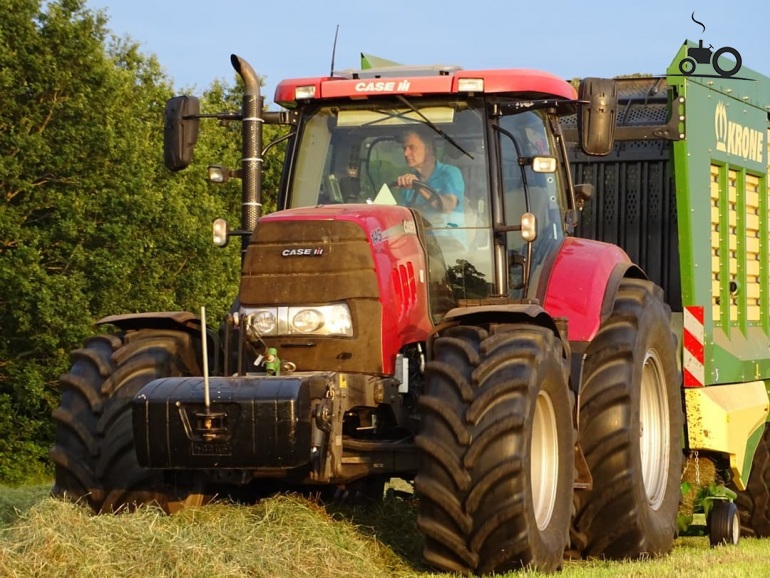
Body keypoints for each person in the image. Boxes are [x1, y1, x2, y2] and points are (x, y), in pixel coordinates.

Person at [395, 128, 465, 228]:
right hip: (420, 236)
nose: (406, 153)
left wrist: (419, 188)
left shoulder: (449, 173)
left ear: (429, 149)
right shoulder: (408, 183)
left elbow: (448, 206)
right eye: (404, 148)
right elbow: (404, 219)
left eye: (412, 148)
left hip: (448, 236)